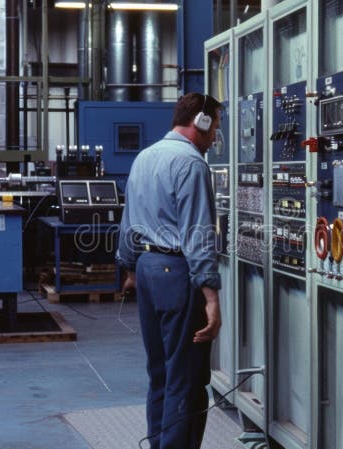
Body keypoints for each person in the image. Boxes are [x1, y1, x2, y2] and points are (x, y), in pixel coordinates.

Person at [117, 93, 223, 449]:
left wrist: (131, 269)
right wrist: (210, 295)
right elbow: (198, 233)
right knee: (187, 378)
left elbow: (127, 221)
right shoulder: (191, 163)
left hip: (146, 270)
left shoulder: (144, 158)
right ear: (202, 123)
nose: (214, 140)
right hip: (177, 271)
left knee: (160, 374)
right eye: (214, 130)